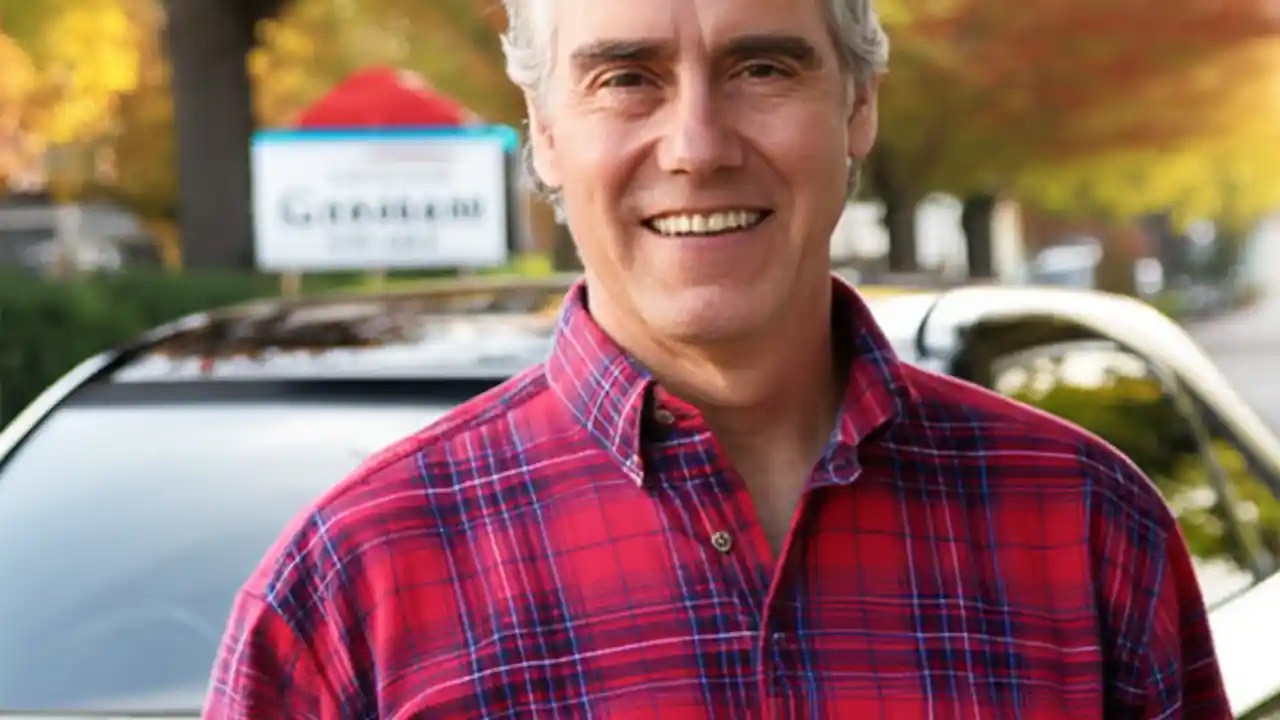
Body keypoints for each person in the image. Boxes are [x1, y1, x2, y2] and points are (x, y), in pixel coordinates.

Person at [204, 0, 1231, 716]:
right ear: (546, 131)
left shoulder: (1082, 521)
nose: (697, 145)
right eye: (625, 78)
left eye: (762, 68)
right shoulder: (355, 583)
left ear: (857, 107)